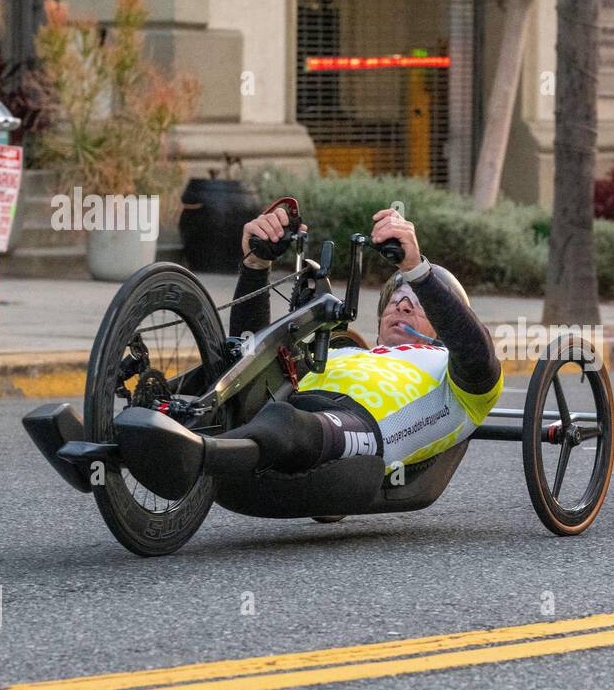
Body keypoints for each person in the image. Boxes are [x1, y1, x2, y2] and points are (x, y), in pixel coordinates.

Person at [117, 204, 503, 499]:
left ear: (442, 319)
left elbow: (475, 352)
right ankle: (121, 427)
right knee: (232, 379)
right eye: (395, 298)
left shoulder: (456, 376)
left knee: (287, 422)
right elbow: (249, 359)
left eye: (416, 301)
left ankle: (193, 455)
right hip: (278, 417)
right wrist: (257, 263)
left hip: (356, 431)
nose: (402, 305)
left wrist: (418, 272)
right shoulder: (346, 352)